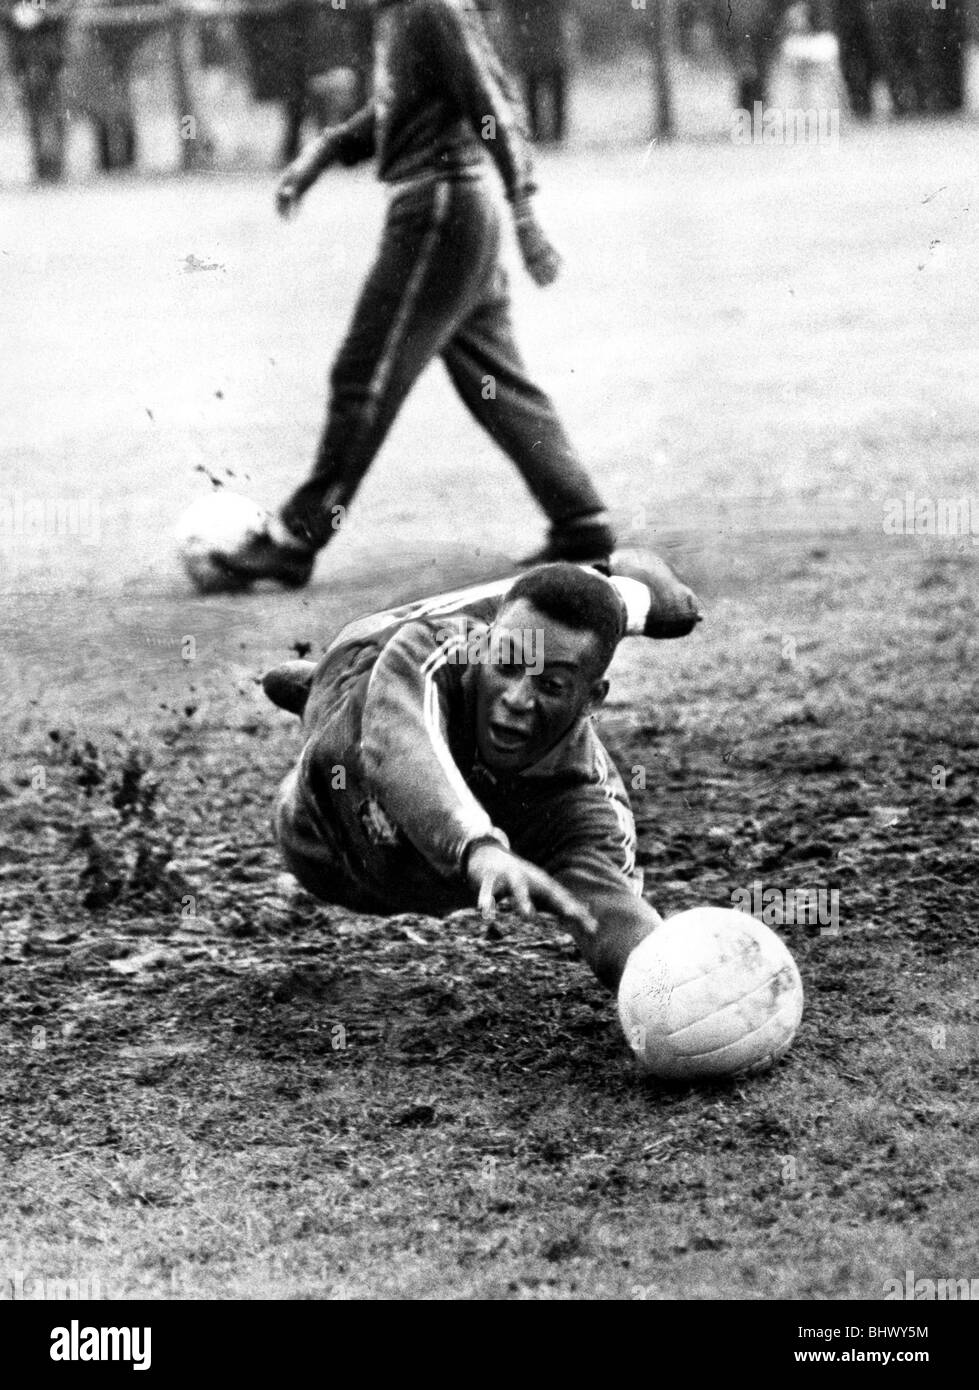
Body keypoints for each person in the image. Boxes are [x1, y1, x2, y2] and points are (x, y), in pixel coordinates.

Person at [209, 0, 616, 593]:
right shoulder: (403, 14)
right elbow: (397, 109)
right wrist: (323, 153)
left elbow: (490, 102)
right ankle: (581, 519)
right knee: (494, 378)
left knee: (363, 375)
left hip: (440, 209)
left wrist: (525, 205)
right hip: (453, 209)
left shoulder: (430, 8)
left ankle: (296, 540)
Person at [264, 560, 701, 990]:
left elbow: (615, 919)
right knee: (357, 712)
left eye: (551, 687)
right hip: (324, 823)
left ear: (593, 700)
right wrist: (477, 845)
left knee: (564, 626)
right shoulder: (434, 649)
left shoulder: (588, 802)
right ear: (481, 648)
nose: (516, 699)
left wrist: (673, 984)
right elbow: (401, 746)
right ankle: (323, 689)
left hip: (414, 875)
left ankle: (614, 594)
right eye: (506, 666)